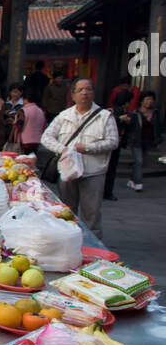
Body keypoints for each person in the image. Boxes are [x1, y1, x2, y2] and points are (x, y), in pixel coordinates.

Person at [39, 77, 118, 237]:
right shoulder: (64, 115)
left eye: (88, 89)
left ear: (93, 93)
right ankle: (68, 240)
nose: (85, 93)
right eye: (80, 90)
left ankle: (93, 246)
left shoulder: (104, 117)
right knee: (67, 210)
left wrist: (88, 148)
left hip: (93, 171)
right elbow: (46, 137)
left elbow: (113, 141)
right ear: (73, 95)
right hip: (68, 171)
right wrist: (63, 149)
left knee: (92, 213)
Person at [125, 90, 162, 191]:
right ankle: (138, 183)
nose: (149, 102)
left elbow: (158, 126)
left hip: (148, 140)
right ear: (142, 101)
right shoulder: (136, 113)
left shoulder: (155, 113)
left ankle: (132, 179)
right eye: (147, 99)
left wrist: (158, 139)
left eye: (151, 100)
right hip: (136, 141)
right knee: (139, 161)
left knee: (141, 161)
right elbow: (131, 127)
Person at [103, 86, 133, 202]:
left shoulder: (121, 111)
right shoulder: (113, 111)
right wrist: (120, 119)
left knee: (110, 168)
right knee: (110, 168)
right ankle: (107, 191)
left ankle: (107, 191)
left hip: (116, 143)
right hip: (111, 143)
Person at [19, 82, 47, 151]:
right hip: (37, 141)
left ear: (26, 99)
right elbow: (44, 126)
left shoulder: (23, 110)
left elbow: (19, 125)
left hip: (25, 140)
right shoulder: (40, 111)